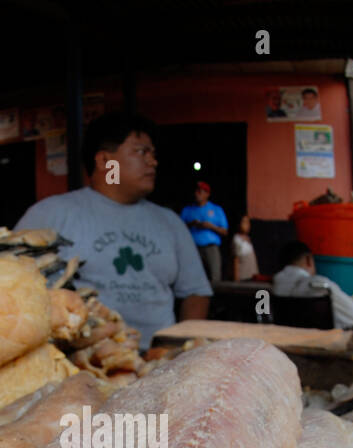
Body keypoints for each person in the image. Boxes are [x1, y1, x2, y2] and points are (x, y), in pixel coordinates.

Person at [14, 111, 212, 342]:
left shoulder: (169, 222)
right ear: (105, 162)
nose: (152, 161)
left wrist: (179, 349)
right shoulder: (51, 214)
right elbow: (13, 284)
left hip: (158, 363)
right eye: (141, 152)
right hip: (81, 361)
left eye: (153, 153)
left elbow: (196, 291)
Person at [272, 241, 353, 330]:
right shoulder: (320, 286)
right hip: (326, 340)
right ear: (308, 260)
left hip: (290, 336)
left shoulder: (274, 287)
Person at [180, 182, 228, 284]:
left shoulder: (216, 209)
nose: (197, 194)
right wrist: (192, 224)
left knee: (215, 278)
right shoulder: (188, 210)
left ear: (207, 194)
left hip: (211, 247)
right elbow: (178, 230)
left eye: (200, 191)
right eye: (196, 191)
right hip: (193, 248)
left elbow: (225, 231)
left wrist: (211, 226)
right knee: (191, 277)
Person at [232, 214, 259, 281]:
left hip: (252, 276)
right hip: (243, 277)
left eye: (248, 222)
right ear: (238, 224)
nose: (247, 225)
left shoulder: (248, 238)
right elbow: (235, 260)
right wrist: (236, 279)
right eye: (244, 222)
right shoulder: (236, 240)